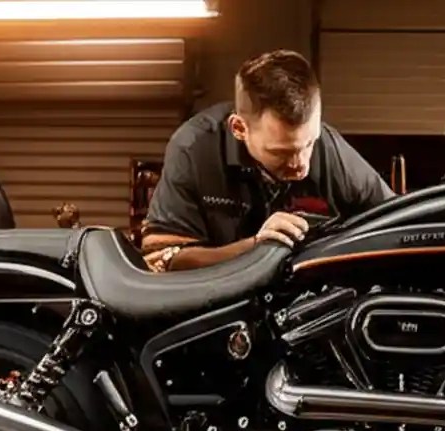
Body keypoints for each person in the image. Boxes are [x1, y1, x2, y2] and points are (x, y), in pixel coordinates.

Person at [140, 49, 394, 272]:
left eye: (308, 144)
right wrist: (258, 249)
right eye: (281, 152)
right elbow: (161, 258)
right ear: (239, 128)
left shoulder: (327, 146)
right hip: (219, 304)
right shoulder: (192, 149)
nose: (300, 165)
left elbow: (397, 220)